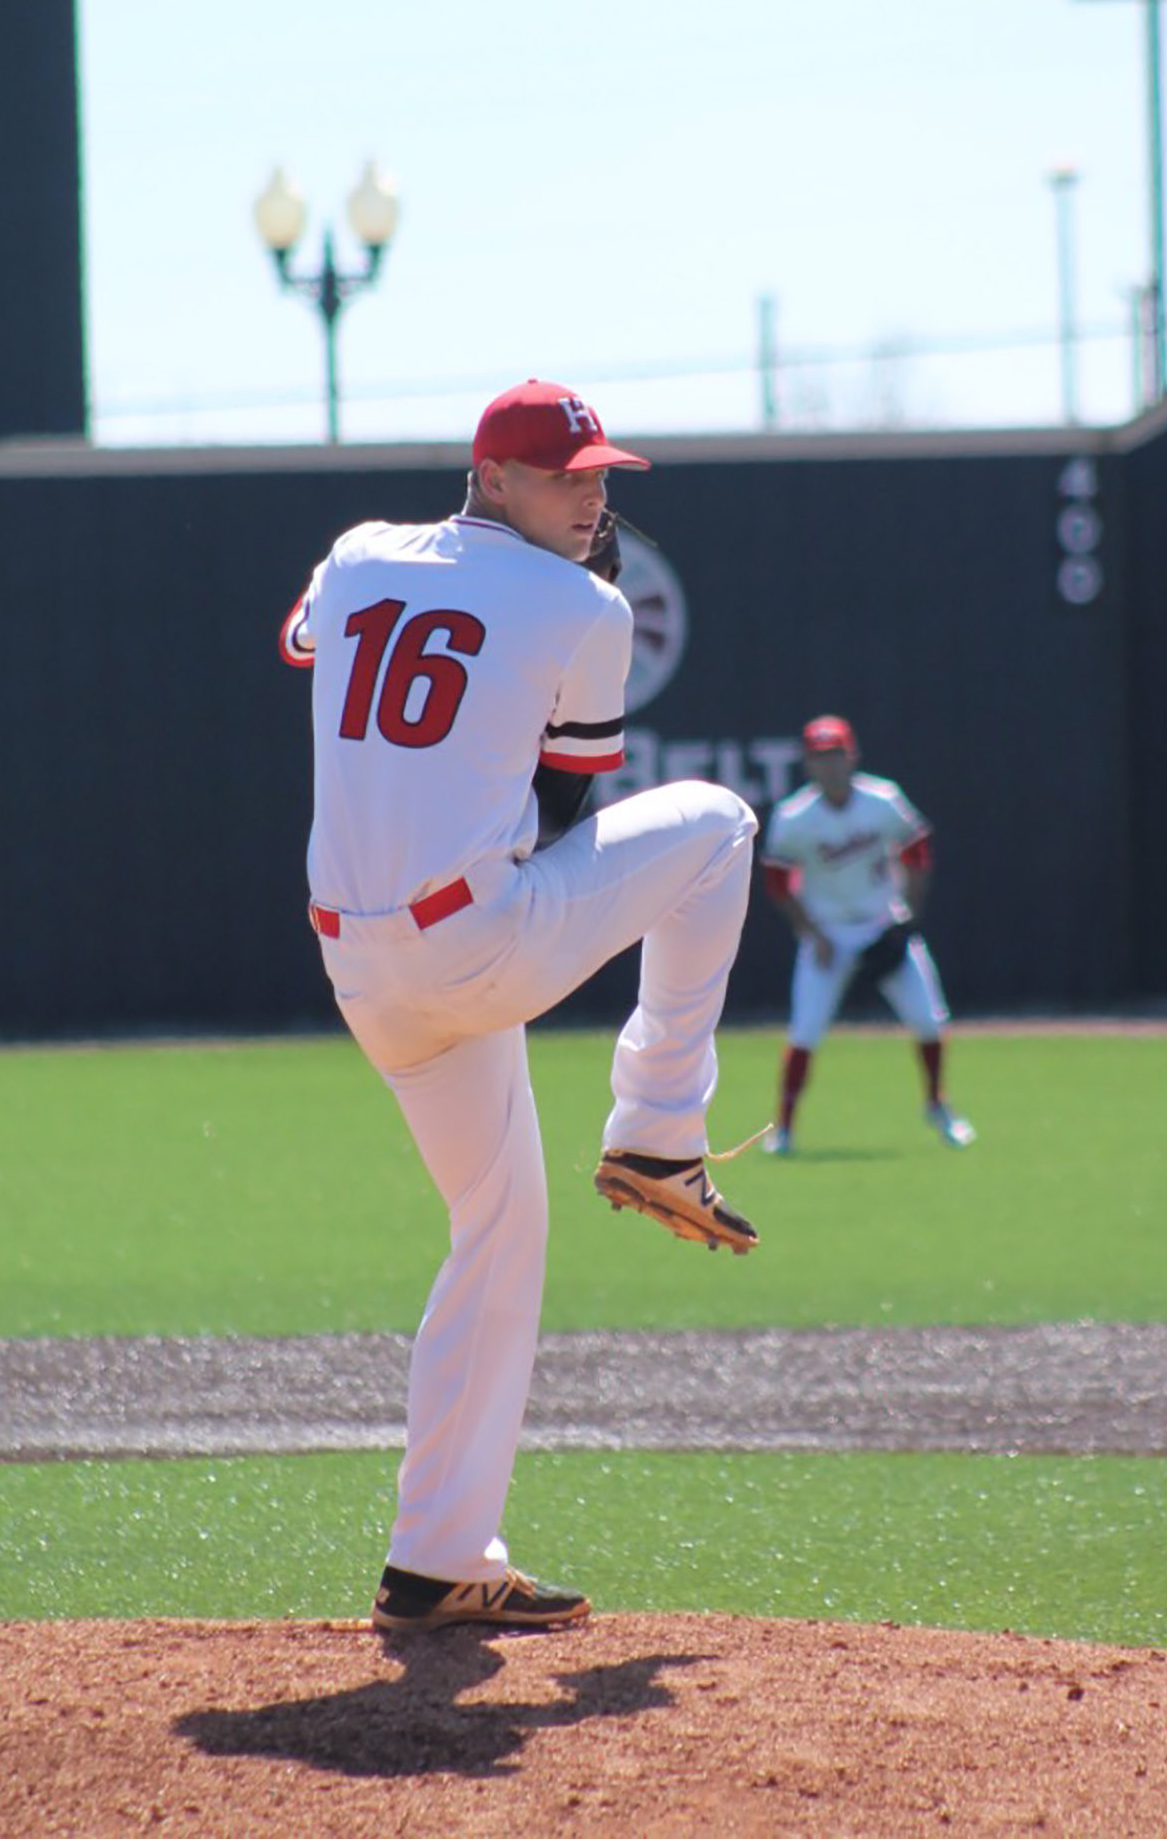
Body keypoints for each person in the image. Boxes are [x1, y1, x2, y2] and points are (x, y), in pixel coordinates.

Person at [280, 379, 762, 1635]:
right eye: (564, 475)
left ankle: (439, 1556)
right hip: (473, 942)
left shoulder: (358, 552)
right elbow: (563, 803)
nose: (591, 496)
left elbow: (307, 641)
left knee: (500, 1226)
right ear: (492, 476)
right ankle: (658, 1129)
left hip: (360, 969)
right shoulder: (586, 606)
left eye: (599, 476)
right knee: (719, 825)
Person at [761, 714, 975, 1155]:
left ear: (852, 755)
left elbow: (917, 850)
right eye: (820, 757)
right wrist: (811, 933)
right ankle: (783, 1128)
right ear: (807, 763)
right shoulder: (794, 816)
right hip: (828, 933)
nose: (829, 765)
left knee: (929, 1019)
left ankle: (938, 1105)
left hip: (882, 924)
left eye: (836, 754)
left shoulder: (882, 800)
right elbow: (777, 883)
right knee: (805, 1032)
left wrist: (907, 917)